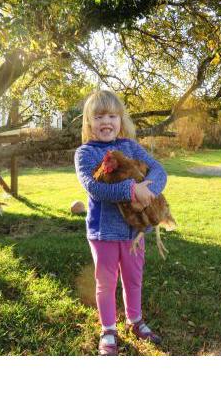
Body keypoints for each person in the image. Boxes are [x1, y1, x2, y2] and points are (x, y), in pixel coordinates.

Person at [74, 89, 168, 356]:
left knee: (133, 277)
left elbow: (159, 170)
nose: (107, 122)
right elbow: (94, 187)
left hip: (134, 232)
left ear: (121, 120)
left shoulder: (131, 147)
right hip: (103, 232)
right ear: (89, 123)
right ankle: (108, 329)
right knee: (105, 282)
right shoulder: (85, 153)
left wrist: (149, 191)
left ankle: (135, 320)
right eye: (99, 116)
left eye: (112, 116)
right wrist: (131, 190)